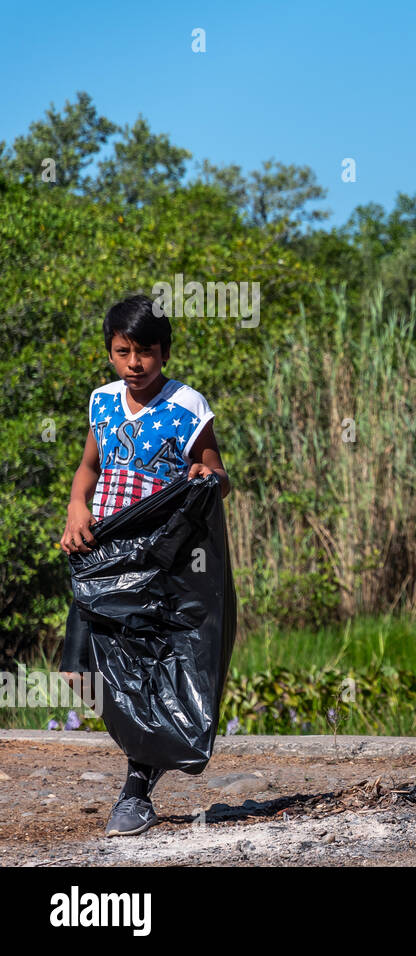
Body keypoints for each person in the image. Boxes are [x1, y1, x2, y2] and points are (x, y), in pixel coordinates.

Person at [59, 293, 230, 836]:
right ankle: (143, 754)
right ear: (110, 353)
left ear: (165, 352)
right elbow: (89, 468)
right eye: (123, 351)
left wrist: (207, 481)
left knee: (146, 675)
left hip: (155, 563)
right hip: (103, 555)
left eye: (147, 352)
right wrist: (75, 509)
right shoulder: (103, 402)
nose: (135, 363)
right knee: (79, 674)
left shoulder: (187, 406)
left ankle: (136, 788)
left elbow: (215, 473)